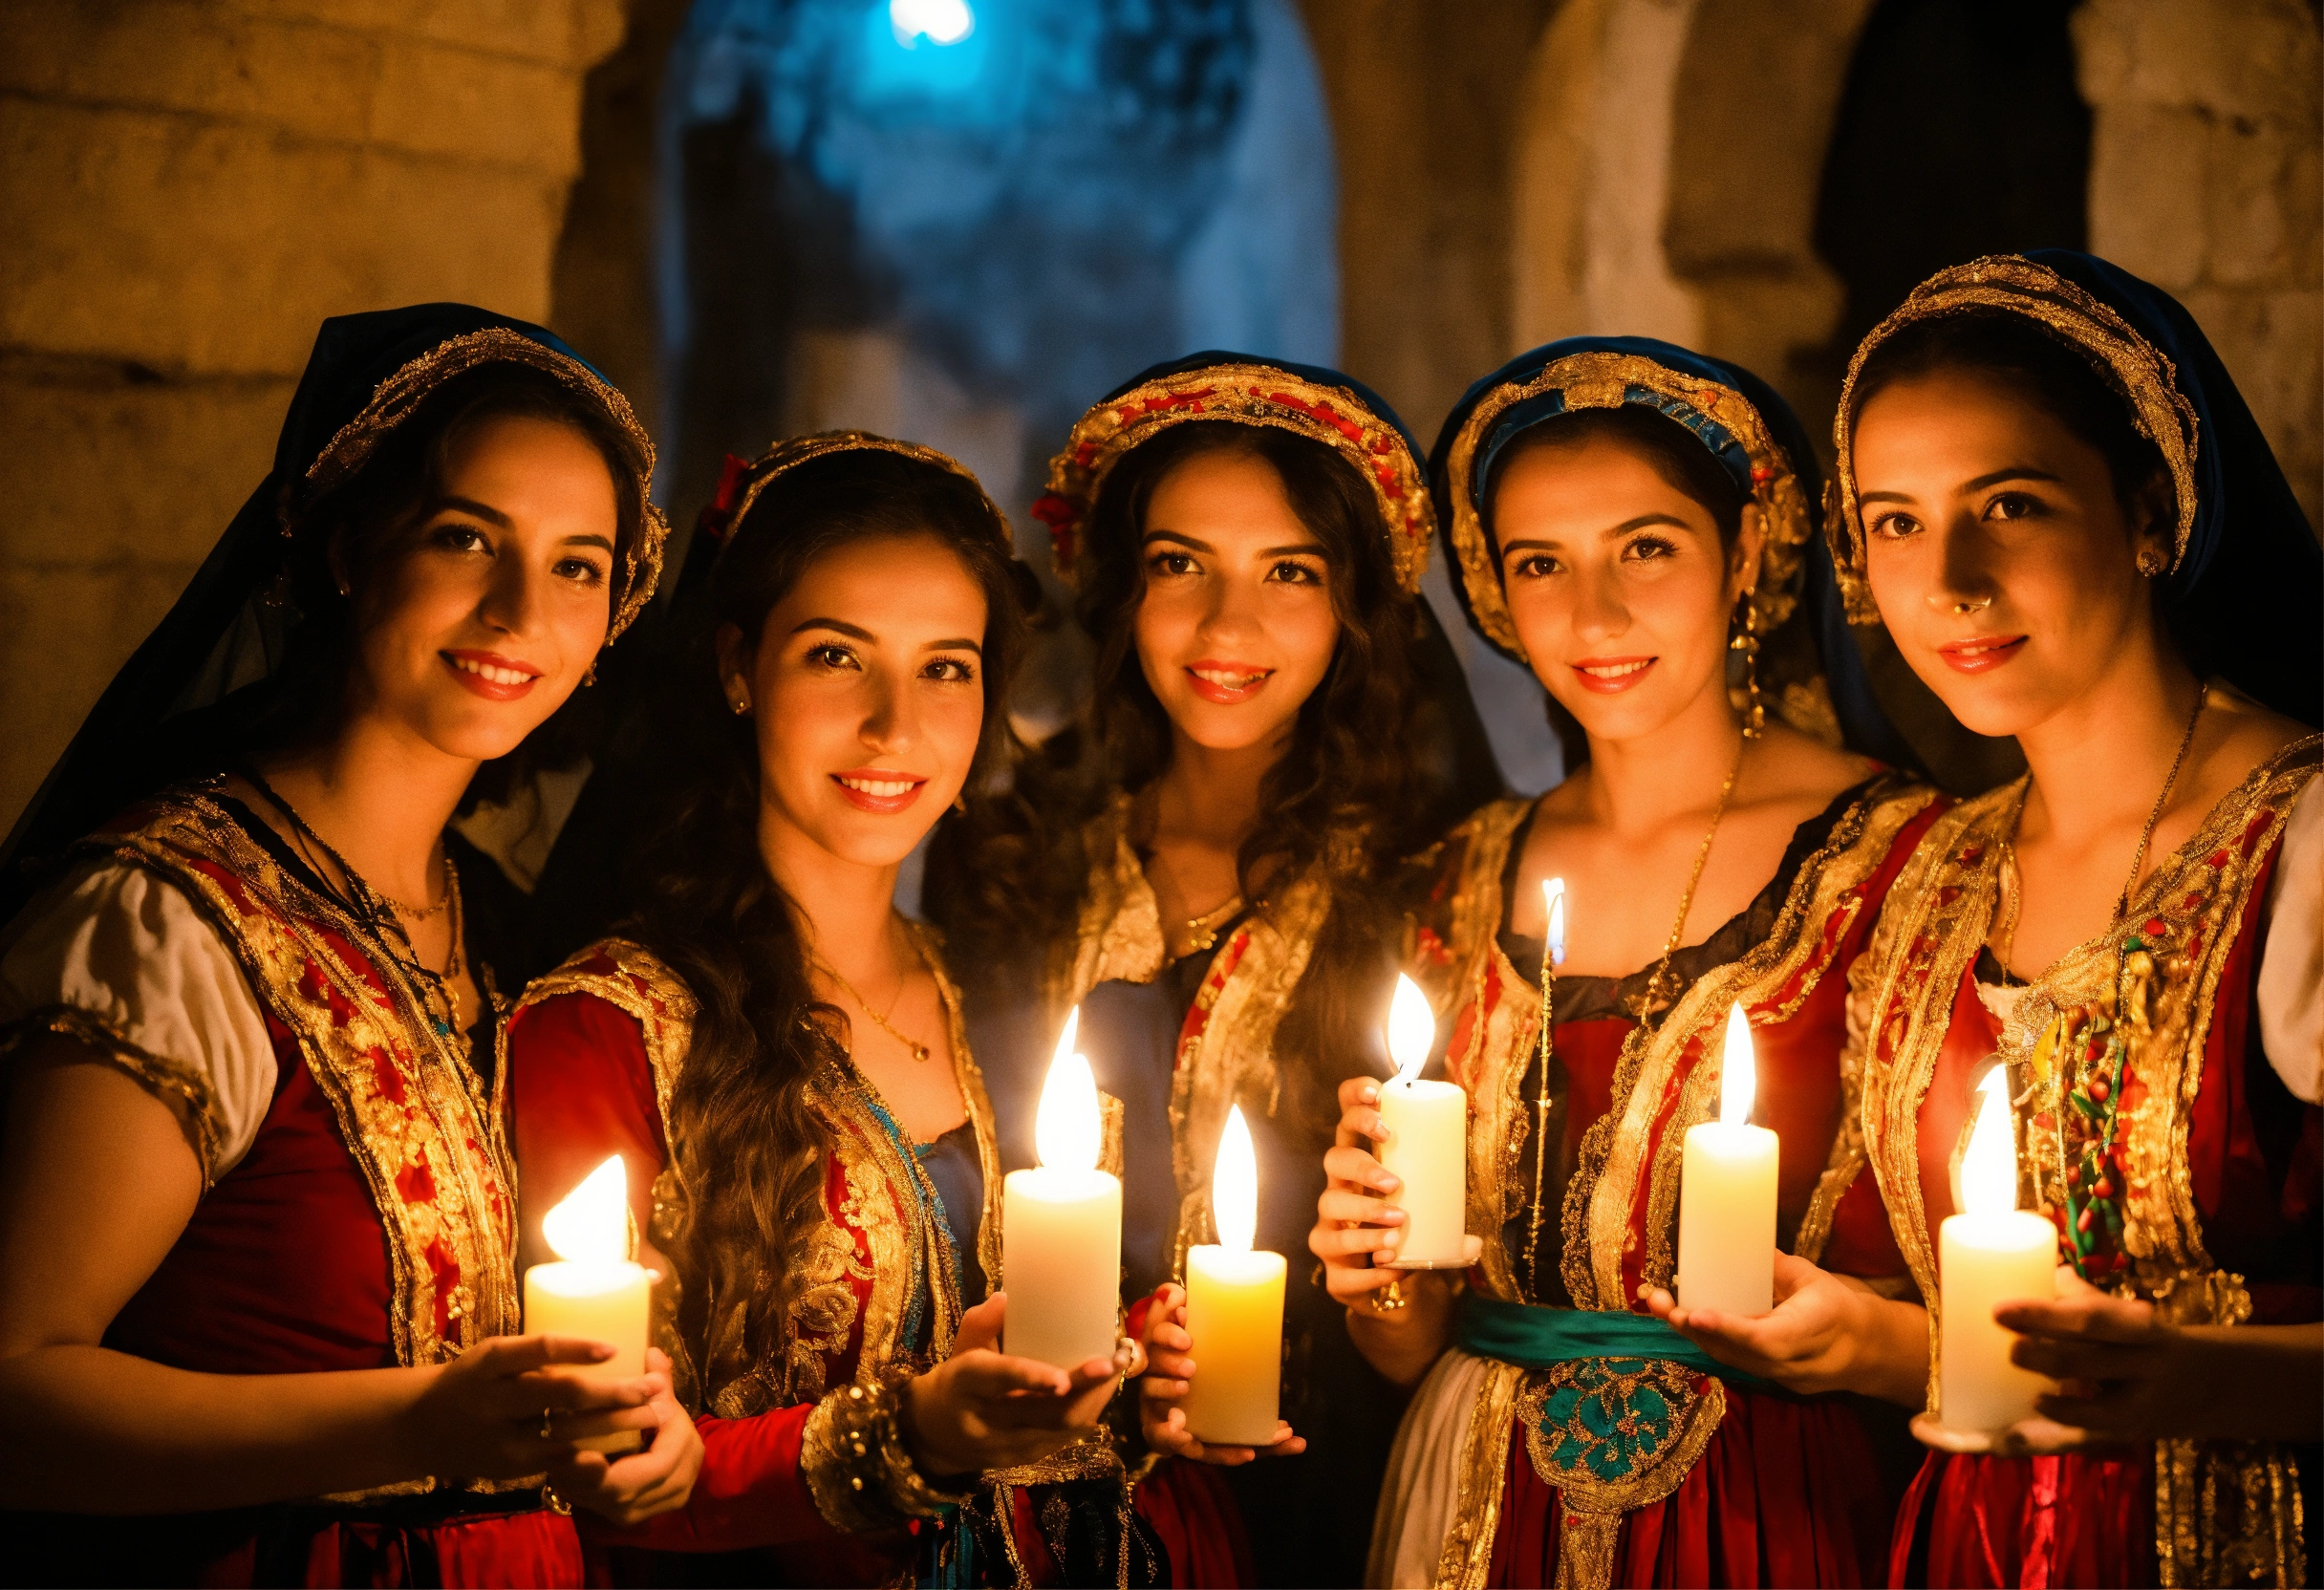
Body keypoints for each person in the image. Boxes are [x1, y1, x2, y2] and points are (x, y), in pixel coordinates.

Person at [0, 306, 699, 1586]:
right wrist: (419, 1421)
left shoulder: (504, 928)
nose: (518, 610)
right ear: (341, 547)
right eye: (464, 538)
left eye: (578, 566)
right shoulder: (170, 920)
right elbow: (15, 1394)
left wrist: (645, 1438)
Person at [1318, 337, 1948, 1589]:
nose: (1591, 615)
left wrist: (1866, 1345)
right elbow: (1409, 1345)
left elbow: (1998, 1303)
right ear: (1495, 592)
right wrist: (1374, 1278)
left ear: (1750, 554)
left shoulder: (1911, 864)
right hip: (1467, 1505)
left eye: (1646, 548)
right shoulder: (1456, 877)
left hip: (1769, 1515)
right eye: (1540, 563)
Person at [504, 434, 1135, 1586]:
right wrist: (912, 1435)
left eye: (946, 664)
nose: (896, 725)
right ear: (739, 667)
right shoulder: (610, 1028)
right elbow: (597, 1465)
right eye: (838, 655)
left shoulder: (989, 988)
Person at [924, 353, 1494, 1587]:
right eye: (1181, 565)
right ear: (1121, 588)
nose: (1227, 628)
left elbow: (1415, 1335)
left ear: (1356, 608)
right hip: (1015, 1494)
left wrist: (1380, 1289)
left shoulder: (1426, 889)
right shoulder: (1007, 856)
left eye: (1290, 573)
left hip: (1308, 1506)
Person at [1830, 251, 2321, 1587]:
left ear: (2153, 518)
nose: (1953, 581)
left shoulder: (2305, 838)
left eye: (2011, 505)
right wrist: (1865, 1336)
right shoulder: (1938, 872)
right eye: (1895, 521)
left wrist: (2203, 1378)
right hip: (1978, 1544)